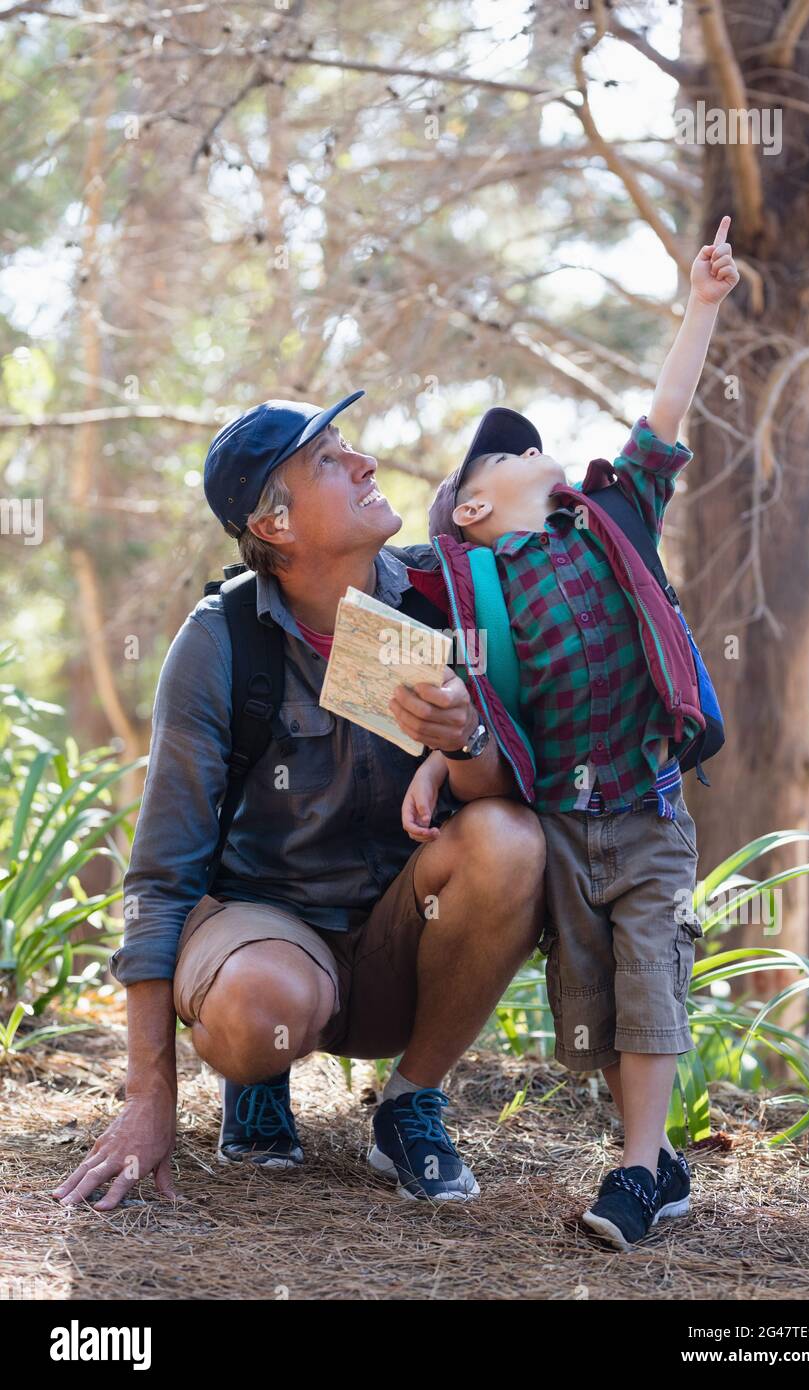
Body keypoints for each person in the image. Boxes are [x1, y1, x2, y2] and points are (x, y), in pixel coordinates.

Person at [52, 391, 546, 1211]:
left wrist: (466, 741)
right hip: (266, 932)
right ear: (274, 525)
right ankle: (259, 1075)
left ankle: (411, 1100)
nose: (366, 463)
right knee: (258, 1006)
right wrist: (148, 1098)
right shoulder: (221, 640)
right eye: (329, 460)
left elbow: (502, 798)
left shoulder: (439, 600)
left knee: (512, 841)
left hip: (398, 943)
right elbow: (160, 876)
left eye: (352, 447)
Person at [402, 218, 740, 1247]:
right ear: (467, 509)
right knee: (591, 1013)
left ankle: (634, 1174)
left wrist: (700, 307)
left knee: (648, 975)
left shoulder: (610, 519)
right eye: (508, 453)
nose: (533, 449)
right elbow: (467, 695)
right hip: (560, 829)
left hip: (641, 809)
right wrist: (430, 757)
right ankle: (661, 1160)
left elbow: (662, 417)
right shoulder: (470, 590)